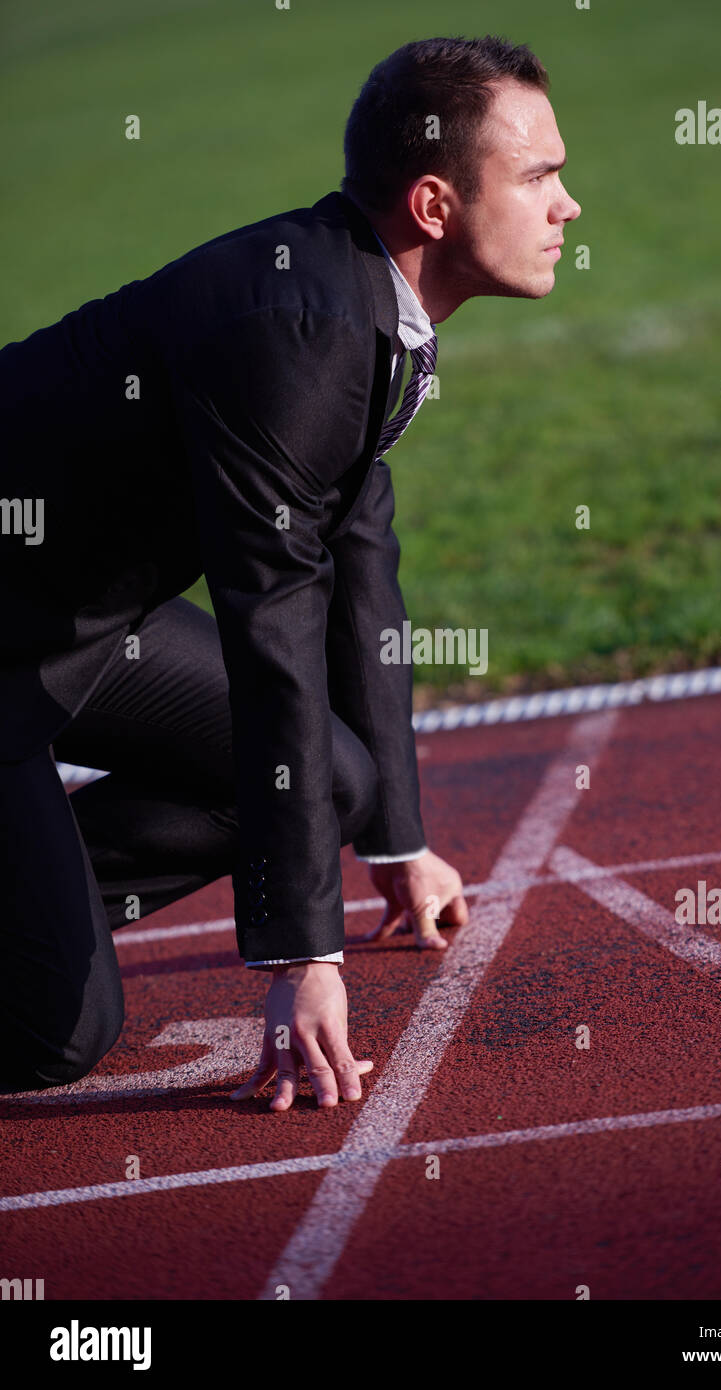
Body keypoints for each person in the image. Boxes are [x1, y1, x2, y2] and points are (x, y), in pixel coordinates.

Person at [0, 35, 580, 1110]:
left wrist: (398, 839)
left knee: (343, 782)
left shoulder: (364, 303)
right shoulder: (300, 329)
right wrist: (302, 955)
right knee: (54, 1030)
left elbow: (360, 571)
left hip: (61, 625)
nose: (569, 205)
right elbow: (274, 631)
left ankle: (32, 903)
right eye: (539, 175)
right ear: (434, 206)